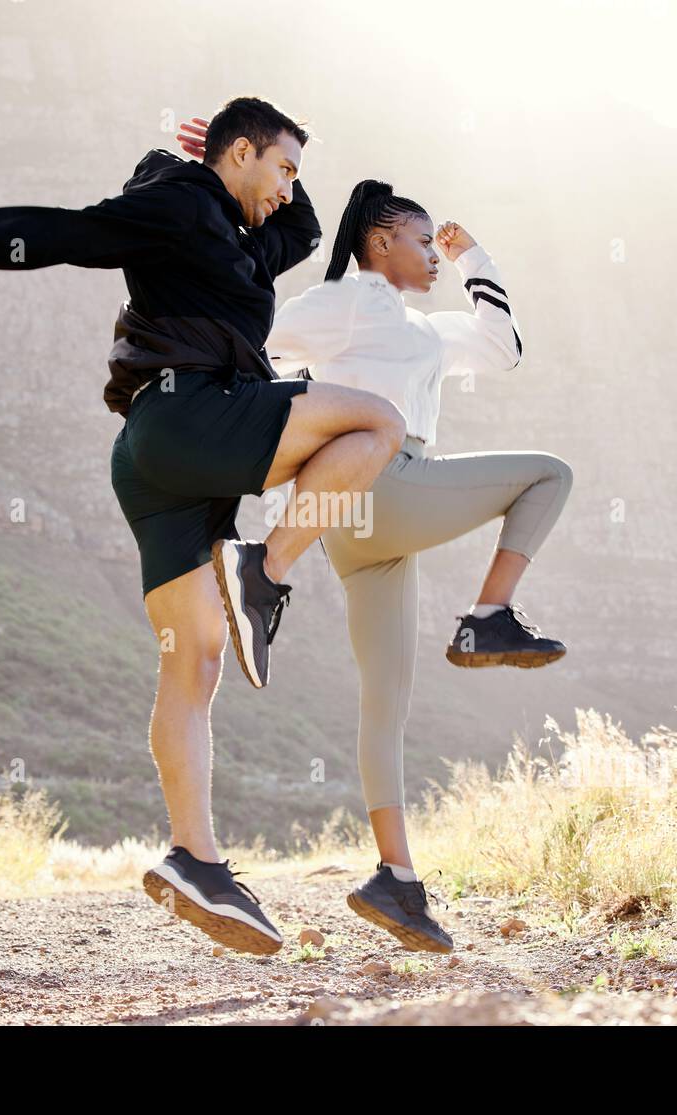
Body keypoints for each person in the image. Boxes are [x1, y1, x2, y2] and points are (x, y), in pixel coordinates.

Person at [0, 98, 406, 958]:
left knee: (196, 655)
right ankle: (267, 571)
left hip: (155, 456)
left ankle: (196, 856)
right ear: (241, 153)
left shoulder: (242, 236)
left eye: (294, 170)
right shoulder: (180, 205)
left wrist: (267, 175)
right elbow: (62, 232)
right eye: (282, 165)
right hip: (190, 419)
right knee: (376, 424)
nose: (288, 187)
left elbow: (302, 227)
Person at [263, 178, 573, 953]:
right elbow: (262, 331)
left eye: (439, 244)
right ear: (378, 242)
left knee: (385, 702)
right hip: (383, 482)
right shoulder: (346, 300)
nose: (434, 254)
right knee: (548, 475)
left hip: (360, 531)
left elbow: (503, 349)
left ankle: (395, 880)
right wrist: (299, 414)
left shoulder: (424, 331)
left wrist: (477, 263)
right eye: (423, 241)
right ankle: (487, 617)